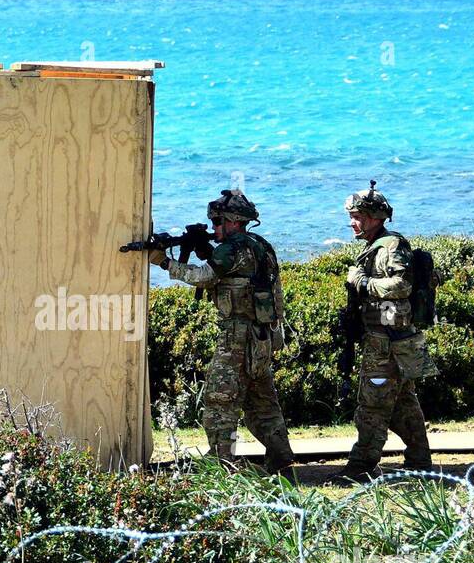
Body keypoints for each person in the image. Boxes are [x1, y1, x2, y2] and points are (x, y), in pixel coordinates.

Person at [149, 189, 296, 475]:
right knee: (262, 404)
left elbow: (203, 276)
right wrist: (207, 249)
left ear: (233, 221)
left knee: (219, 401)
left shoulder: (233, 248)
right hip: (262, 337)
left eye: (217, 221)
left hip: (237, 339)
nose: (215, 227)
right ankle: (282, 460)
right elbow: (237, 275)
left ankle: (220, 461)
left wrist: (165, 262)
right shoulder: (260, 245)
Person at [328, 181, 436, 484]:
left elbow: (402, 286)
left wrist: (363, 283)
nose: (353, 222)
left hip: (386, 343)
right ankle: (419, 461)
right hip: (393, 340)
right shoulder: (379, 246)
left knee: (372, 406)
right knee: (403, 405)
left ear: (376, 217)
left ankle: (361, 466)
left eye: (358, 216)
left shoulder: (391, 247)